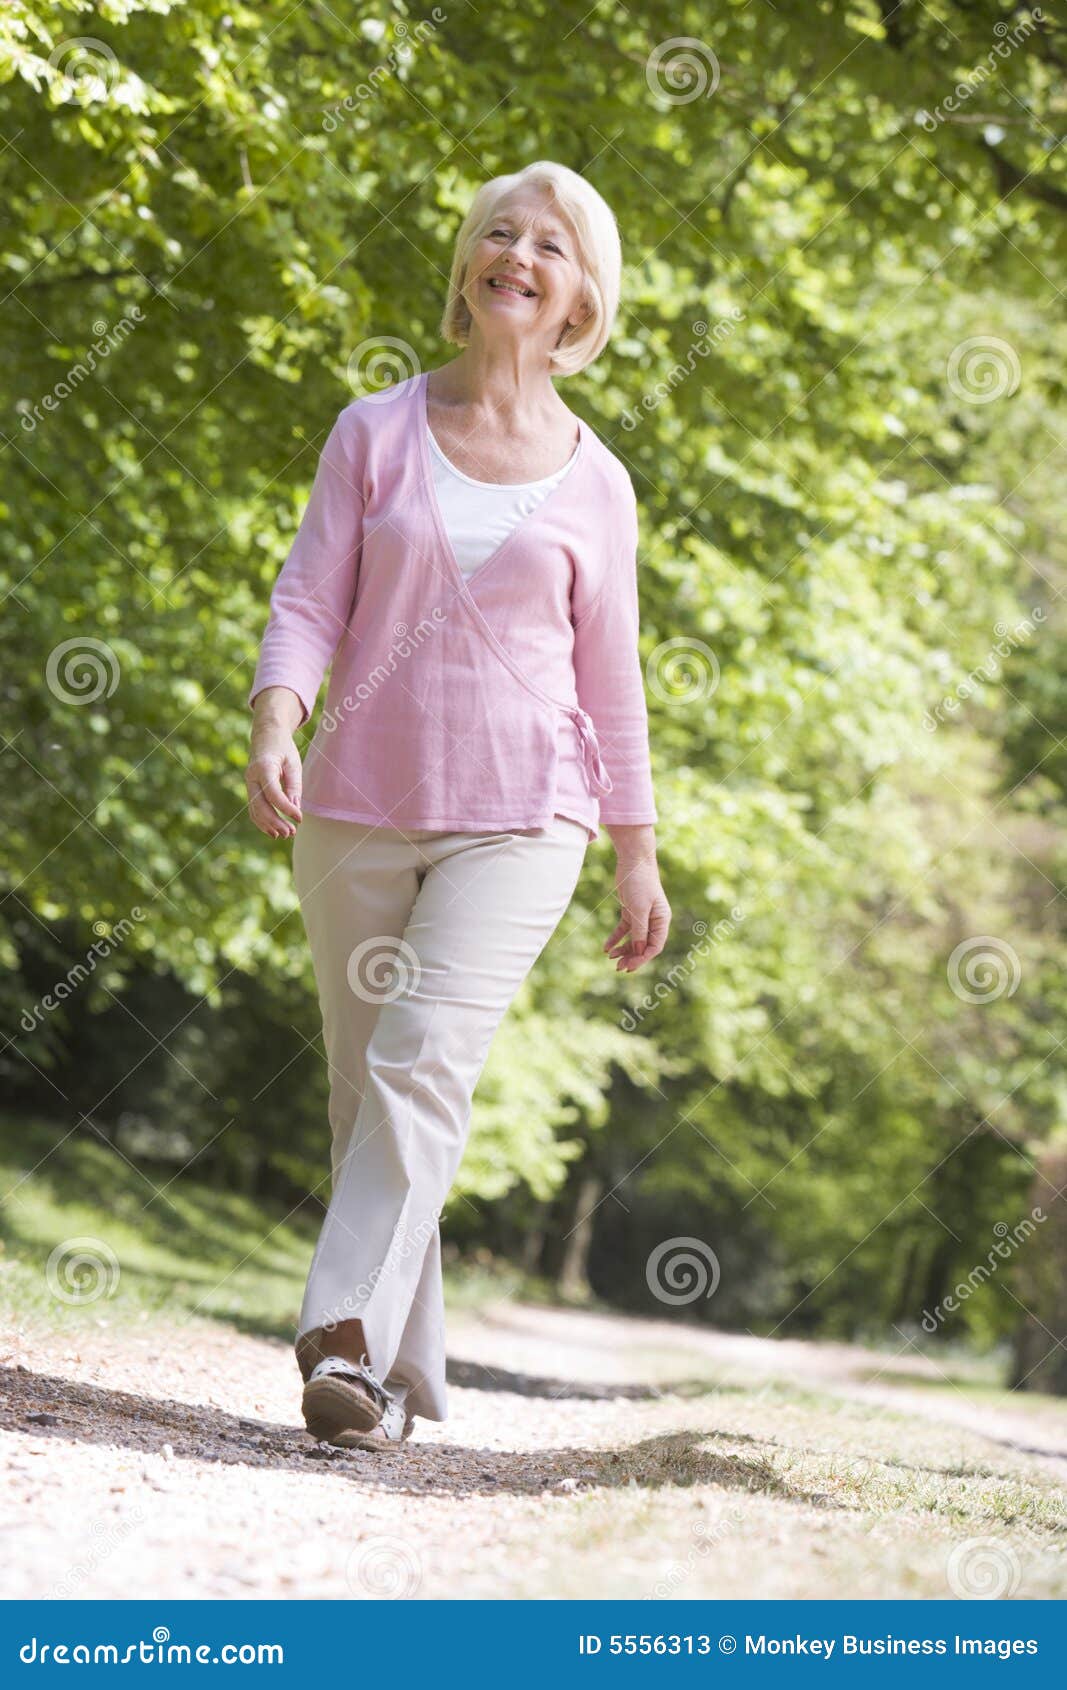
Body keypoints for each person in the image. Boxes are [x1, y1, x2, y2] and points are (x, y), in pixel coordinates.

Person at [244, 160, 670, 1452]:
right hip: (361, 798)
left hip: (525, 817)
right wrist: (278, 713)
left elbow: (614, 681)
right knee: (367, 1091)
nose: (517, 253)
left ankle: (342, 1341)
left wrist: (637, 853)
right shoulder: (372, 430)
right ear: (469, 266)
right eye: (500, 231)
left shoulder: (600, 484)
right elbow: (310, 594)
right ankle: (396, 1378)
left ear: (580, 295)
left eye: (549, 243)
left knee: (421, 1055)